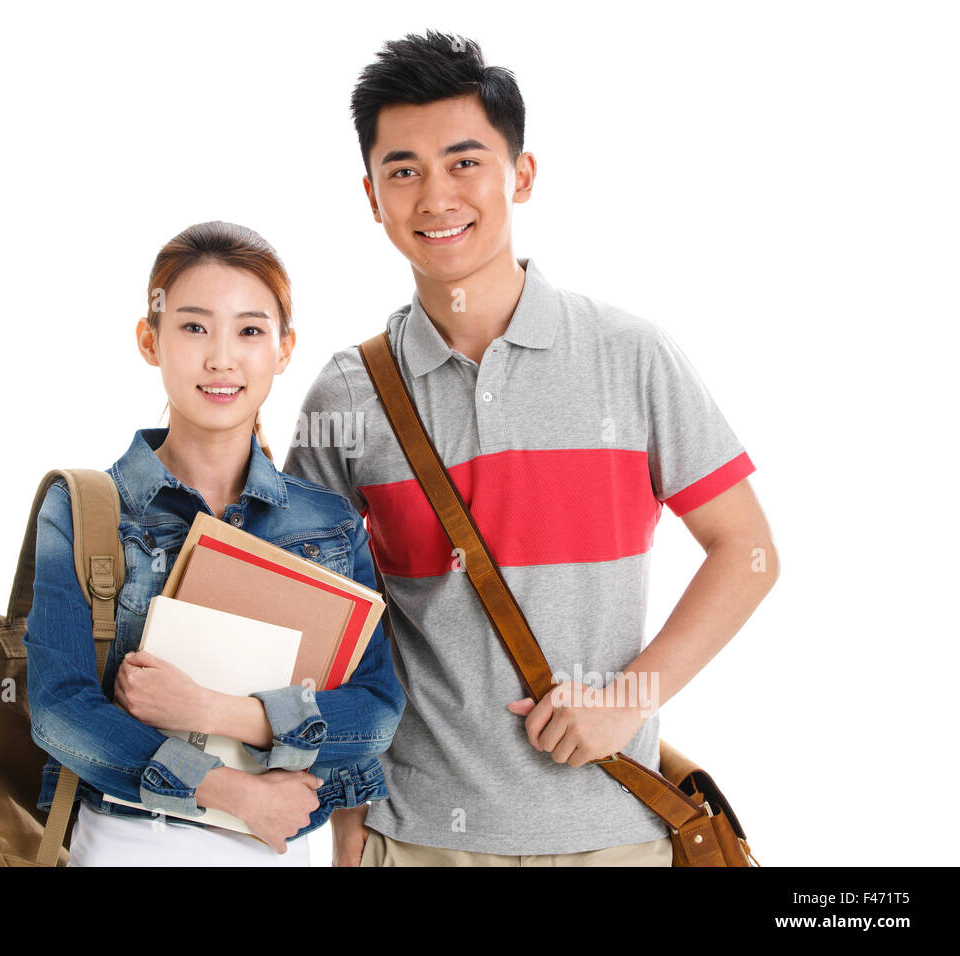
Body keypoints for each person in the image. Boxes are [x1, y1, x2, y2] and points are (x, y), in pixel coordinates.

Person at [283, 31, 780, 866]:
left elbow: (750, 551)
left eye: (464, 161)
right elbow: (317, 626)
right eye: (403, 170)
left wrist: (632, 698)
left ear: (522, 174)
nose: (435, 195)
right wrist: (348, 827)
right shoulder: (348, 394)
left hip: (614, 830)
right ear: (371, 196)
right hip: (414, 837)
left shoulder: (631, 356)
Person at [24, 221, 405, 866]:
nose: (222, 358)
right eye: (194, 327)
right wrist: (225, 789)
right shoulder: (89, 508)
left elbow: (375, 714)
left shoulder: (330, 524)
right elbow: (58, 708)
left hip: (278, 849)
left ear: (284, 350)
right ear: (151, 340)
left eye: (250, 331)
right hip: (127, 846)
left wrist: (218, 711)